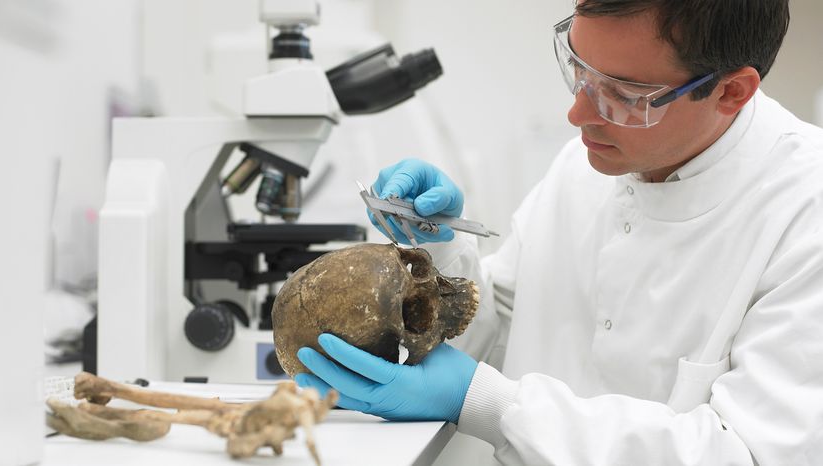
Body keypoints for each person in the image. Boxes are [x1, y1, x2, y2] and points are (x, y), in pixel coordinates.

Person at [293, 1, 823, 464]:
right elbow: (497, 332)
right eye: (579, 68)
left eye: (624, 94)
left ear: (731, 92)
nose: (577, 114)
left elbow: (747, 454)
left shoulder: (804, 210)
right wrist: (440, 248)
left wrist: (487, 405)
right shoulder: (585, 166)